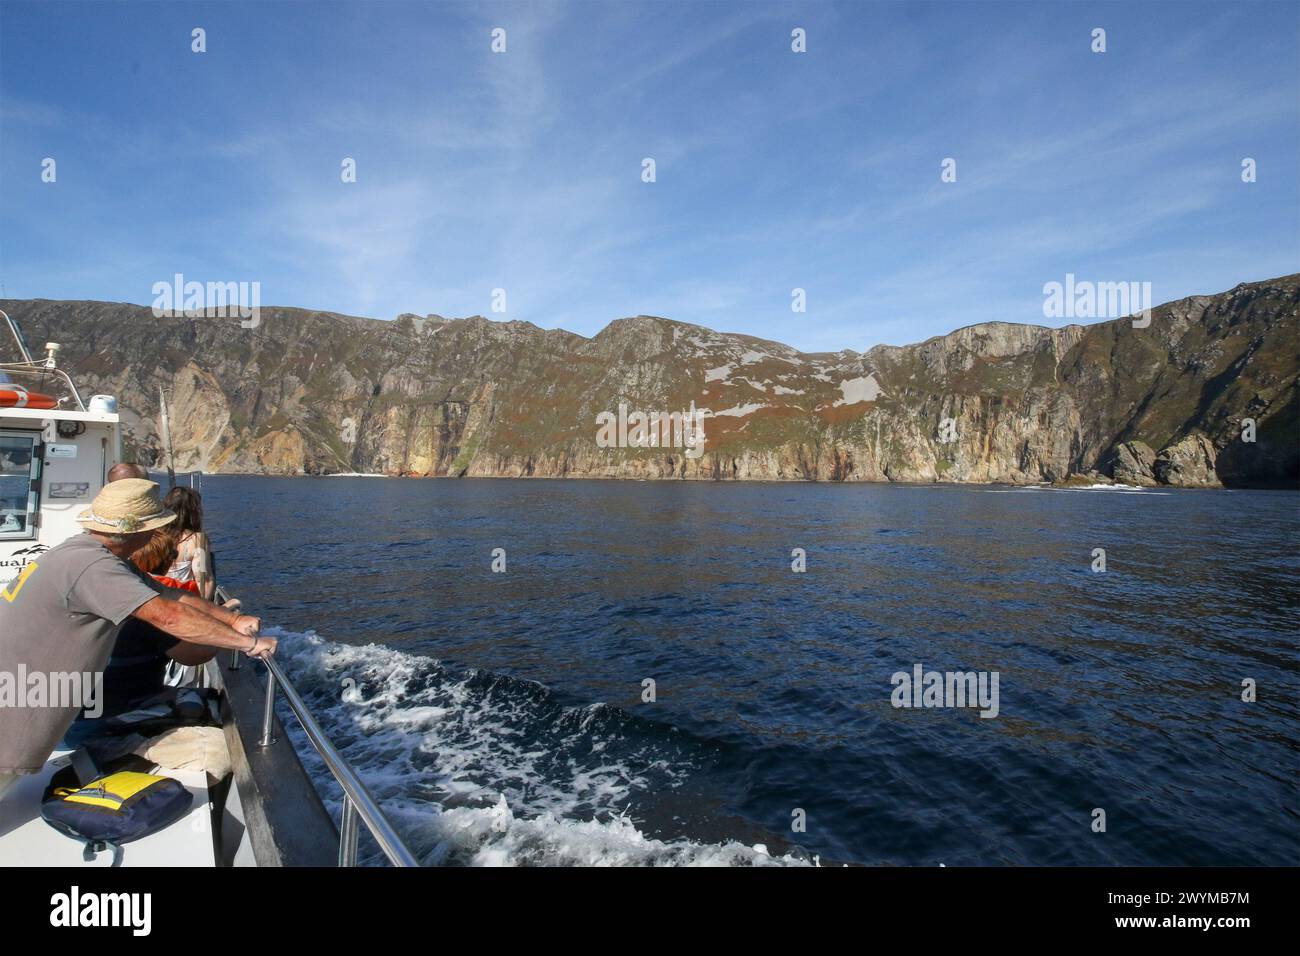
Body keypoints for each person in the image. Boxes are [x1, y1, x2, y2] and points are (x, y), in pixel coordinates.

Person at [0, 478, 275, 804]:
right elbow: (167, 616)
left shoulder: (85, 553)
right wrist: (246, 644)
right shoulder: (94, 567)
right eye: (155, 526)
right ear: (137, 531)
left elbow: (169, 594)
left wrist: (232, 620)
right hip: (15, 715)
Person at [162, 487, 215, 601]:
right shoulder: (196, 540)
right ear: (193, 512)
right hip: (183, 603)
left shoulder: (154, 536)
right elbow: (204, 581)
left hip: (158, 600)